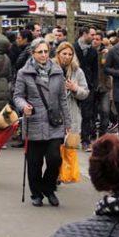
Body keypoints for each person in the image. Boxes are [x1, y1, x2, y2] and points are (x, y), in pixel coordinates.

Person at [13, 38, 71, 207]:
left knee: (55, 159)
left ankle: (49, 188)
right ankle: (36, 193)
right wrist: (24, 106)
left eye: (46, 51)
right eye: (40, 52)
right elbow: (18, 96)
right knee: (34, 162)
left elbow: (62, 99)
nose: (44, 55)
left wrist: (68, 123)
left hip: (54, 122)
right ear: (33, 53)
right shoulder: (24, 73)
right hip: (34, 121)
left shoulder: (57, 71)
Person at [52, 42, 89, 146]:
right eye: (64, 53)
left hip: (72, 115)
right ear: (58, 54)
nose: (67, 57)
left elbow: (85, 93)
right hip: (54, 115)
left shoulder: (77, 71)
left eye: (70, 54)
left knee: (71, 148)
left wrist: (75, 89)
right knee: (55, 150)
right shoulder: (50, 68)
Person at [74, 26, 99, 150]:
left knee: (87, 114)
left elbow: (95, 69)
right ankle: (70, 138)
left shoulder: (93, 51)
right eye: (92, 35)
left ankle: (85, 140)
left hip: (88, 85)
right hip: (73, 84)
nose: (94, 37)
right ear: (84, 33)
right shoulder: (73, 48)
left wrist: (94, 84)